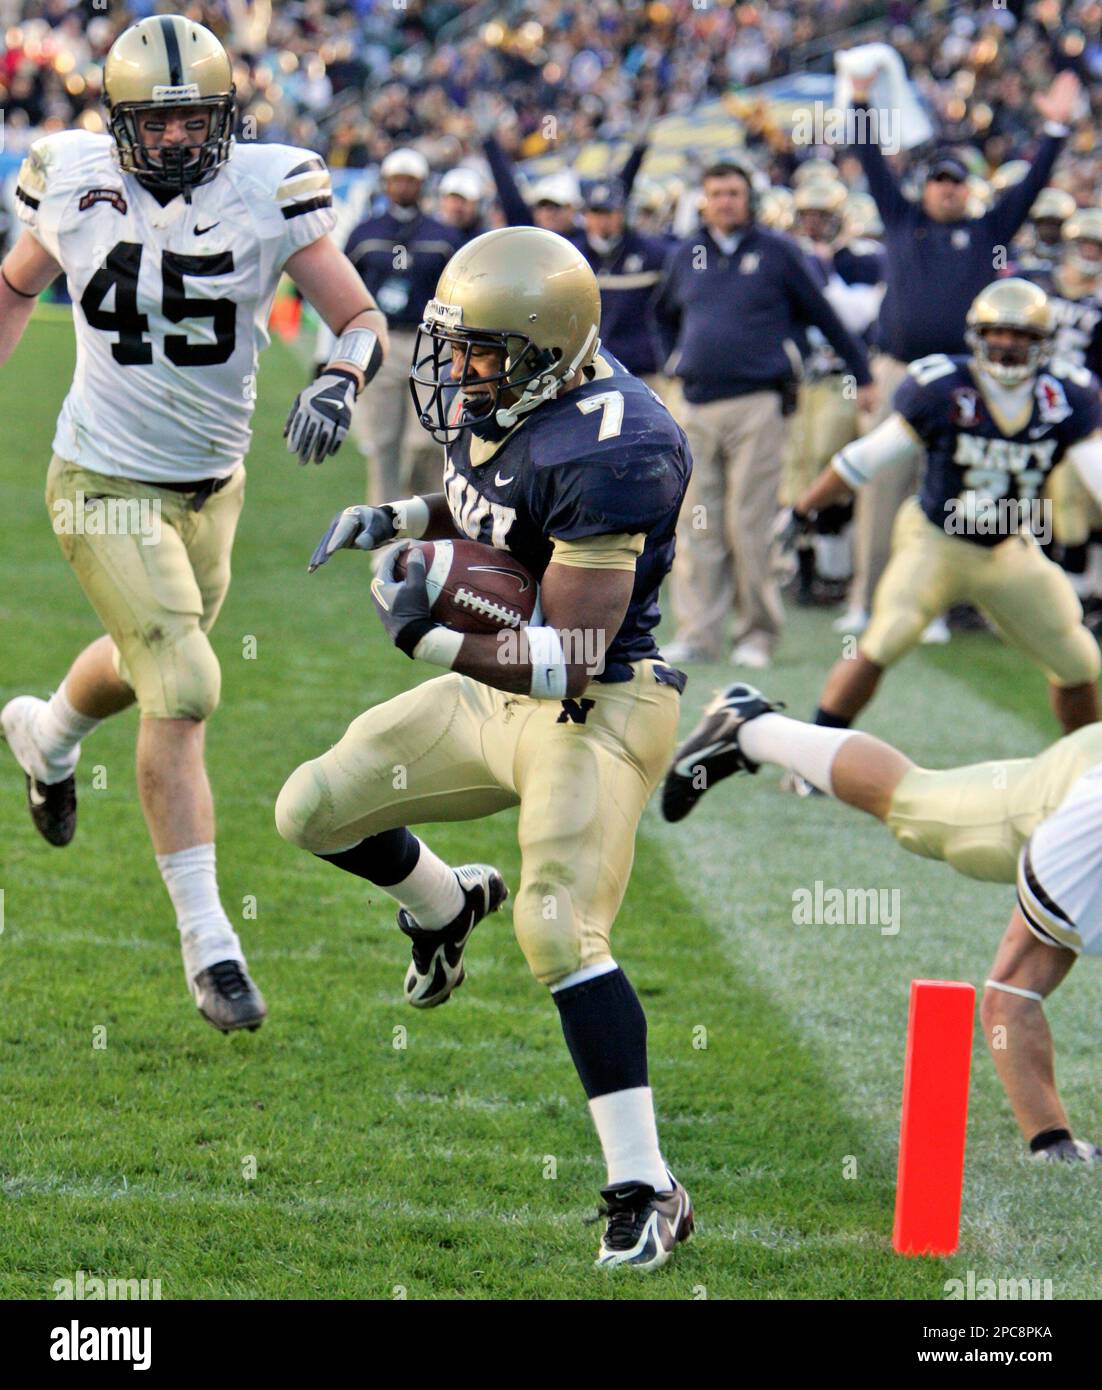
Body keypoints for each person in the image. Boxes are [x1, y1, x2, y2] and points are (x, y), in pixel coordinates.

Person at [275, 227, 695, 1269]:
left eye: (479, 354)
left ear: (547, 352)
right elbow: (488, 506)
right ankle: (444, 903)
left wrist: (431, 634)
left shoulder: (620, 444)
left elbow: (577, 649)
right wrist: (393, 515)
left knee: (557, 928)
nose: (457, 372)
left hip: (595, 705)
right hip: (491, 689)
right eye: (454, 348)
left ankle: (646, 1185)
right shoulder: (513, 395)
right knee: (310, 809)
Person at [0, 15, 387, 1031]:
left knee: (148, 657)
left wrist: (345, 379)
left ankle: (45, 734)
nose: (174, 140)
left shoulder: (273, 185)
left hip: (213, 485)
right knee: (183, 676)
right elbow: (13, 284)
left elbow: (358, 316)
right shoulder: (71, 176)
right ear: (117, 121)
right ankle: (210, 944)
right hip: (99, 478)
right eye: (156, 122)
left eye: (193, 120)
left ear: (225, 118)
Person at [662, 681, 1102, 1163]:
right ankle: (751, 728)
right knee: (914, 803)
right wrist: (1052, 1140)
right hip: (1056, 798)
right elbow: (1012, 995)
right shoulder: (1084, 842)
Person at [782, 279, 1102, 756]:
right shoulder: (942, 387)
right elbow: (865, 458)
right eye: (999, 333)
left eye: (1022, 337)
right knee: (885, 638)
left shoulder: (1067, 397)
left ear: (1043, 344)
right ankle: (814, 759)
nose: (1009, 346)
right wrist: (804, 507)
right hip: (936, 541)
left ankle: (1088, 775)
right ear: (977, 335)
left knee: (1078, 660)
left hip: (1008, 549)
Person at [839, 63, 1081, 637]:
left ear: (968, 188)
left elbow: (1032, 185)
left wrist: (1053, 131)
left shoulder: (988, 230)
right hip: (898, 369)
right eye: (939, 179)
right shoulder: (900, 219)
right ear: (925, 186)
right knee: (882, 488)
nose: (948, 187)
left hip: (965, 378)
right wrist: (859, 100)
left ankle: (936, 607)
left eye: (956, 180)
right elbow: (869, 159)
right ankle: (867, 601)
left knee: (950, 488)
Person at [654, 158, 873, 670]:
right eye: (715, 192)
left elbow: (824, 313)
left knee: (748, 524)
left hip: (758, 402)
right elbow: (661, 315)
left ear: (748, 198)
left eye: (733, 191)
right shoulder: (687, 254)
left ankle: (756, 634)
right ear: (703, 199)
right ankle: (699, 633)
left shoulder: (778, 252)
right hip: (697, 404)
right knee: (697, 524)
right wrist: (672, 360)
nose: (725, 200)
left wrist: (862, 373)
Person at [344, 147, 462, 500]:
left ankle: (425, 521)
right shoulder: (365, 232)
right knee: (381, 442)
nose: (403, 187)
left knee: (426, 440)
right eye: (397, 179)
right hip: (382, 337)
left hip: (430, 340)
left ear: (423, 184)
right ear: (386, 183)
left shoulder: (443, 236)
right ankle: (384, 531)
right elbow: (346, 286)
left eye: (410, 180)